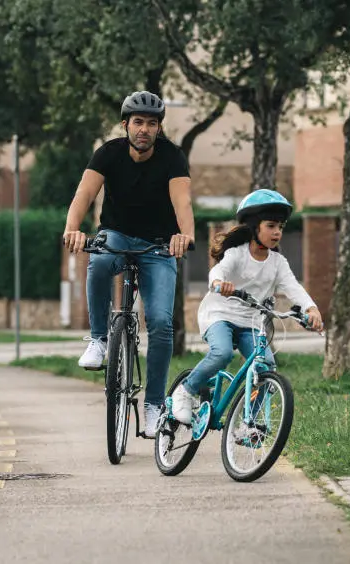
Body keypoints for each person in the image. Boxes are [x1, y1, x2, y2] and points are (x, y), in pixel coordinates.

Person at [62, 90, 195, 437]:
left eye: (152, 124)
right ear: (125, 125)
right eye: (138, 122)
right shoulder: (108, 153)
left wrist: (185, 235)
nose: (144, 130)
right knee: (100, 259)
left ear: (159, 129)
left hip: (158, 245)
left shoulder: (172, 157)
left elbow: (183, 203)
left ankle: (154, 407)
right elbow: (84, 194)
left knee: (163, 323)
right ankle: (99, 340)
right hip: (117, 235)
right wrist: (72, 228)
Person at [170, 188, 323, 424]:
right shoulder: (237, 254)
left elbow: (294, 287)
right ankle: (186, 391)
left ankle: (247, 424)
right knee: (221, 353)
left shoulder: (278, 263)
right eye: (271, 226)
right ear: (254, 227)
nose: (277, 232)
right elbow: (218, 270)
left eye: (281, 227)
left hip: (250, 322)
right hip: (219, 315)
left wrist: (311, 309)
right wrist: (219, 283)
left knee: (266, 366)